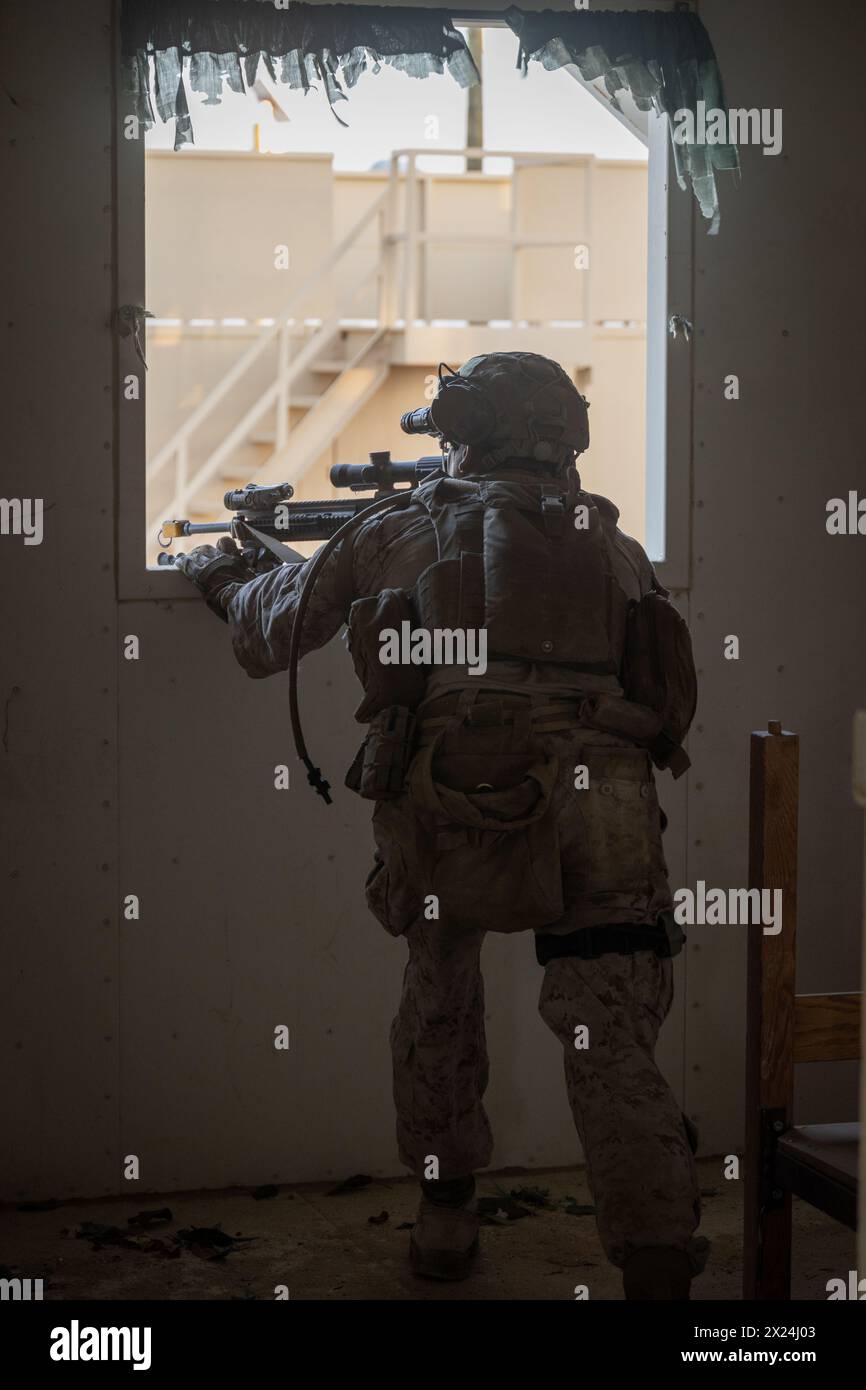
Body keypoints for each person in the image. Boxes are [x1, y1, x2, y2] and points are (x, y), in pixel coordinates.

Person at [176, 351, 708, 1299]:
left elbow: (271, 635)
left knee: (440, 994)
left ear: (465, 429)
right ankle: (659, 1260)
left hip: (459, 794)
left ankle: (448, 1217)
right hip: (612, 805)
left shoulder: (404, 527)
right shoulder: (616, 545)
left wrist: (221, 569)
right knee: (610, 1032)